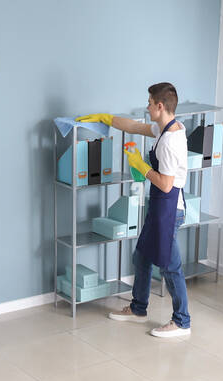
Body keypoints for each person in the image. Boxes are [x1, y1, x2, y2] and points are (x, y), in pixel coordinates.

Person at [78, 81, 192, 338]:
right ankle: (139, 307)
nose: (147, 106)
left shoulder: (171, 141)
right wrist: (106, 118)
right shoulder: (166, 128)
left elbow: (165, 184)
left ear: (160, 106)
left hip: (170, 209)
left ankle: (182, 321)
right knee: (141, 257)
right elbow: (134, 126)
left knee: (170, 267)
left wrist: (140, 165)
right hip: (160, 208)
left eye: (150, 103)